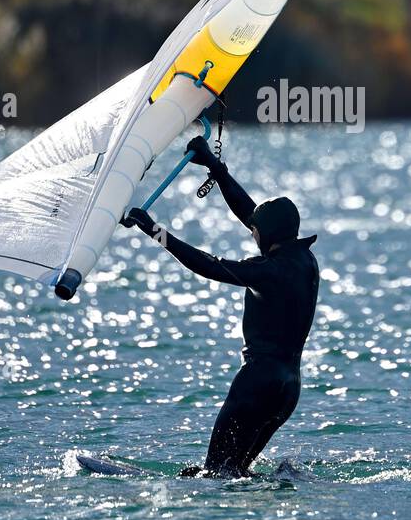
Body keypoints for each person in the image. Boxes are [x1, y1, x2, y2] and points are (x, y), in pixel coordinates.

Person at [121, 136, 319, 478]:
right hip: (288, 390)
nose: (251, 232)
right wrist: (215, 167)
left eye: (254, 231)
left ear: (264, 235)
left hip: (257, 384)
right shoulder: (304, 259)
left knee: (215, 473)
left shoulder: (266, 271)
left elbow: (209, 265)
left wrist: (157, 232)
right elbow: (250, 213)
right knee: (236, 471)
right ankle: (283, 478)